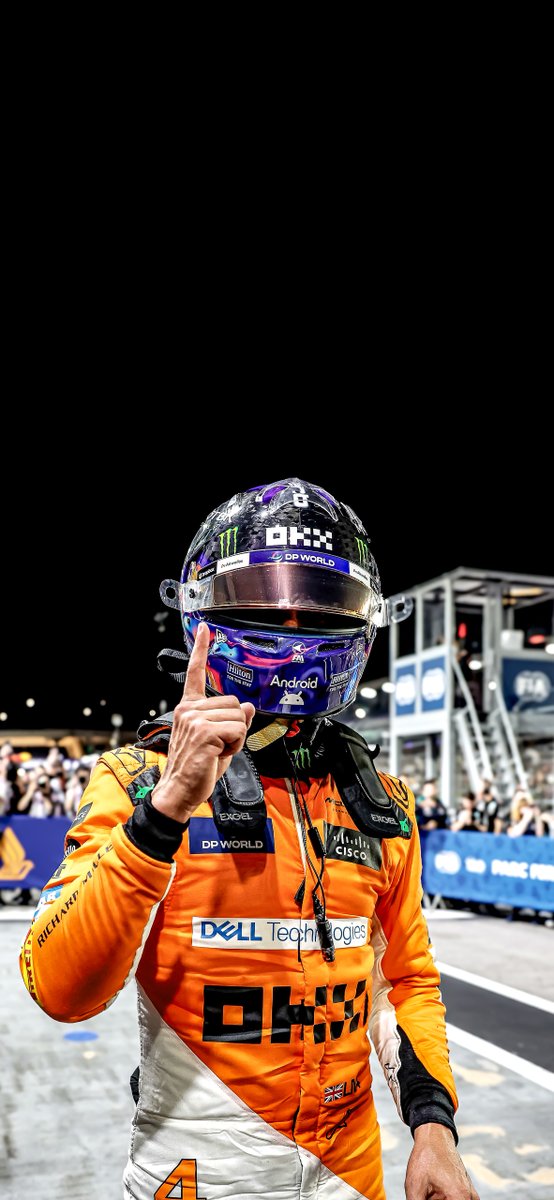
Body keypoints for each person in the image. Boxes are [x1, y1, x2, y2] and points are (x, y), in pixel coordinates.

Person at [19, 478, 478, 1200]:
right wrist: (166, 809)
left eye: (320, 604)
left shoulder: (384, 802)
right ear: (200, 610)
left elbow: (404, 983)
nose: (292, 626)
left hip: (352, 1176)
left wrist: (434, 1130)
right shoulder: (136, 781)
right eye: (263, 604)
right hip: (194, 1176)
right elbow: (60, 990)